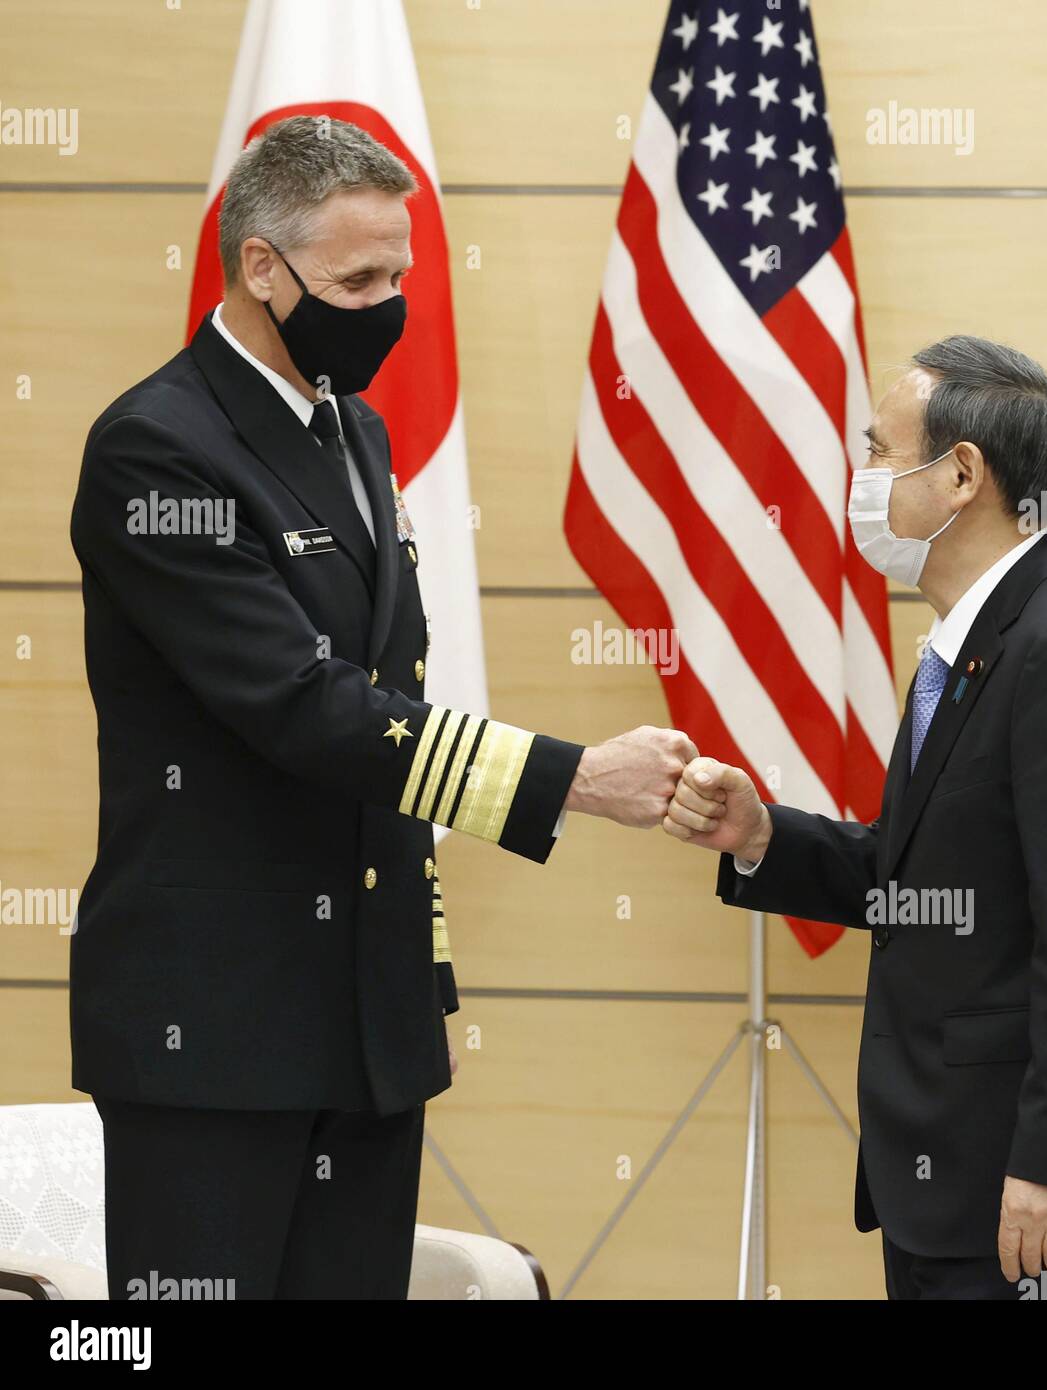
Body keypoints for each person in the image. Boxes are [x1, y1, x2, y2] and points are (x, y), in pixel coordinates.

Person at [70, 115, 692, 1300]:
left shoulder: (353, 428)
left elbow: (391, 701)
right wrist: (569, 779)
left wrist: (423, 969)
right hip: (213, 1027)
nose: (388, 305)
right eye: (359, 281)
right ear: (262, 267)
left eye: (399, 276)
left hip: (366, 1019)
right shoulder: (155, 449)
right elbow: (305, 707)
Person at [663, 335, 1047, 1300]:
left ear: (962, 474)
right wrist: (763, 838)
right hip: (951, 1167)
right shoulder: (975, 643)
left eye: (879, 451)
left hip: (1029, 1180)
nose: (862, 476)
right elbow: (931, 877)